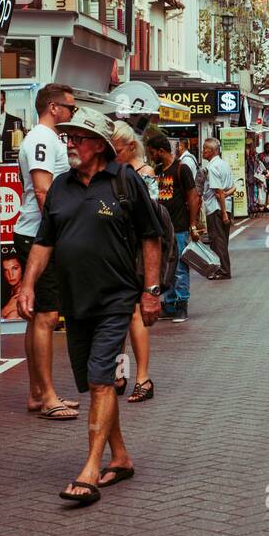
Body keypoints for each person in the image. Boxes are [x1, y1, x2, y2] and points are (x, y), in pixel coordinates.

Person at [18, 107, 163, 506]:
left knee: (101, 381)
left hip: (116, 299)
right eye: (68, 138)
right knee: (93, 381)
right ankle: (121, 457)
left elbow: (151, 237)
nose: (70, 144)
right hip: (73, 302)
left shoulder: (125, 182)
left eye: (78, 138)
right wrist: (28, 285)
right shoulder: (61, 187)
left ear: (99, 144)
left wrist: (151, 290)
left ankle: (90, 470)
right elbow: (44, 241)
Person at [13, 84, 78, 418]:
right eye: (71, 107)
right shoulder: (41, 138)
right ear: (53, 108)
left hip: (38, 231)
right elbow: (42, 190)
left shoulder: (49, 139)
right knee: (47, 316)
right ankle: (47, 396)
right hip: (39, 234)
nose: (73, 113)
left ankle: (38, 392)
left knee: (40, 315)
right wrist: (60, 230)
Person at [112, 121, 158, 403]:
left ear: (130, 147)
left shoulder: (143, 173)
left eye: (115, 148)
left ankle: (142, 376)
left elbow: (150, 221)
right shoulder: (110, 173)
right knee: (116, 316)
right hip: (115, 251)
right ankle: (120, 371)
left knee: (133, 314)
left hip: (135, 252)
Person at [146, 131, 200, 322]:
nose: (151, 156)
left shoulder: (182, 169)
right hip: (162, 228)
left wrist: (193, 225)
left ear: (161, 151)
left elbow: (193, 197)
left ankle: (181, 304)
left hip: (179, 226)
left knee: (179, 267)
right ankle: (168, 304)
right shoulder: (157, 170)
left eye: (152, 152)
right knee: (165, 267)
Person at [199, 136, 235, 280]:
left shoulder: (212, 168)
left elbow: (218, 192)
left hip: (216, 208)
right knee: (222, 241)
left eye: (204, 149)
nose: (203, 151)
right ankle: (220, 268)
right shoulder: (224, 164)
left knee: (218, 241)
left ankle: (224, 270)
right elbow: (232, 188)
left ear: (212, 151)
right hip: (225, 206)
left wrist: (224, 214)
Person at [0, 254, 24, 320]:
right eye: (6, 270)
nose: (11, 274)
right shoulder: (7, 291)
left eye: (15, 268)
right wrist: (6, 308)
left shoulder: (21, 296)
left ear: (22, 269)